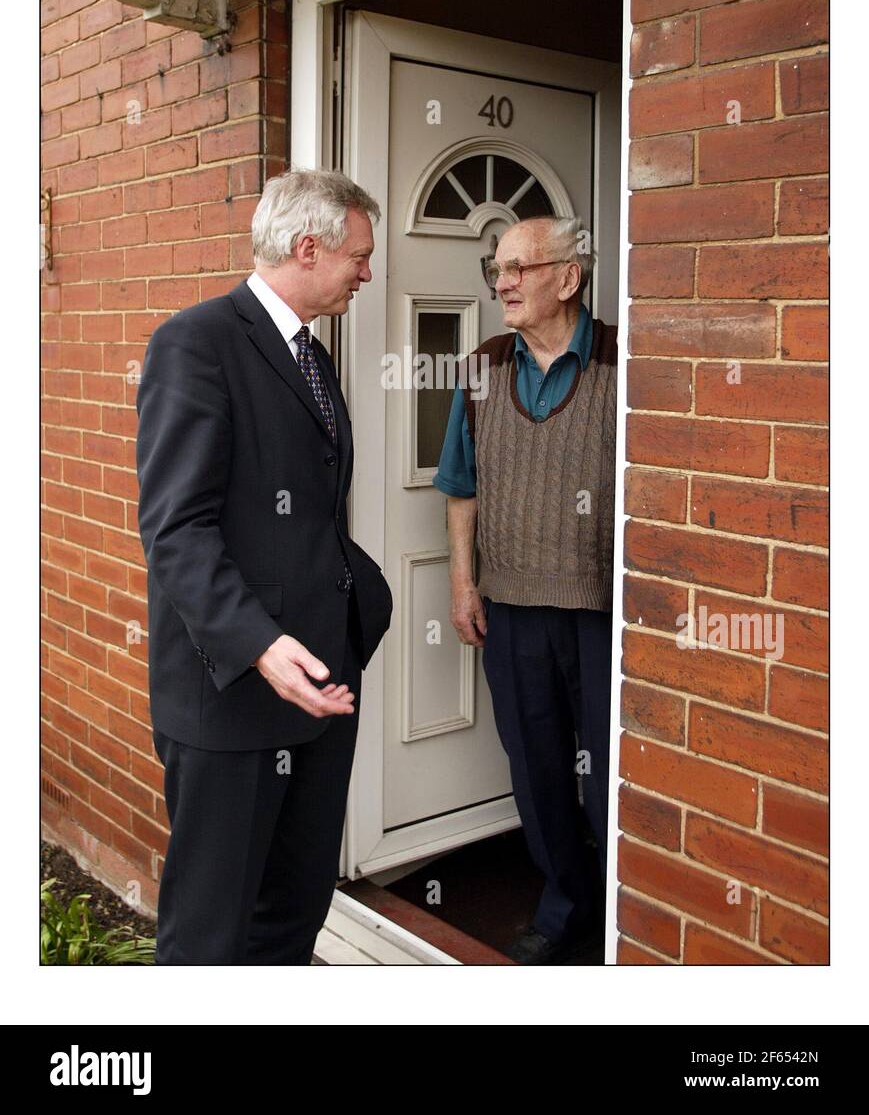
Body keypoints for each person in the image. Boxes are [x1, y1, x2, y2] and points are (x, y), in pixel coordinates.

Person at [135, 167, 393, 964]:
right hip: (236, 698)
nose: (368, 271)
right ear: (308, 247)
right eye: (359, 254)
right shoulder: (197, 342)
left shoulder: (309, 355)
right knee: (211, 935)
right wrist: (258, 644)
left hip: (320, 687)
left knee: (294, 911)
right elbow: (176, 528)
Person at [434, 215, 617, 965]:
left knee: (612, 769)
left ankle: (623, 909)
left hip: (604, 609)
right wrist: (462, 581)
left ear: (567, 278)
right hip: (509, 605)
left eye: (517, 267)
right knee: (535, 765)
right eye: (495, 269)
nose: (500, 283)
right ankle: (564, 906)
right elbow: (459, 486)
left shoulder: (626, 360)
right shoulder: (482, 366)